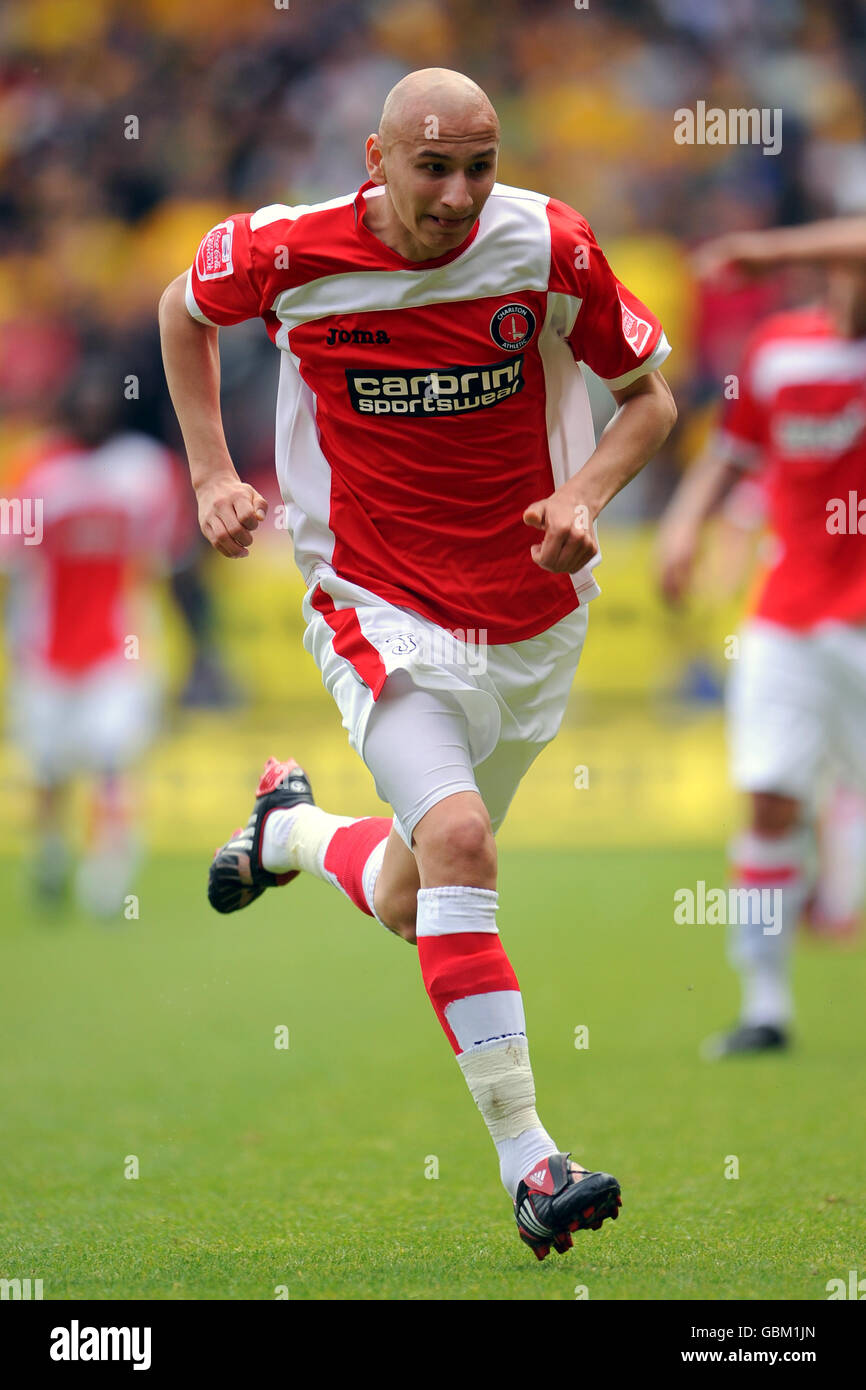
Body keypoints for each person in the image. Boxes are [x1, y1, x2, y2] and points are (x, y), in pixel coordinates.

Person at [159, 67, 675, 1258]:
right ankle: (530, 1160)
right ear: (375, 158)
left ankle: (288, 831)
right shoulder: (284, 251)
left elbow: (647, 401)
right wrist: (210, 472)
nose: (455, 195)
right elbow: (178, 312)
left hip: (533, 614)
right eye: (431, 167)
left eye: (478, 166)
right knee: (459, 846)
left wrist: (584, 493)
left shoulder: (548, 244)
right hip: (372, 600)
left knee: (411, 893)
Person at [657, 254, 866, 1056]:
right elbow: (731, 455)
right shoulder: (780, 349)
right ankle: (765, 1003)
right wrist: (683, 524)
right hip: (785, 618)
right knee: (769, 799)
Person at [2, 359, 183, 915]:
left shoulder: (145, 470)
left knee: (112, 756)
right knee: (49, 765)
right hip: (45, 645)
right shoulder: (38, 469)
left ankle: (108, 878)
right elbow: (12, 557)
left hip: (119, 643)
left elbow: (166, 554)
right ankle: (53, 857)